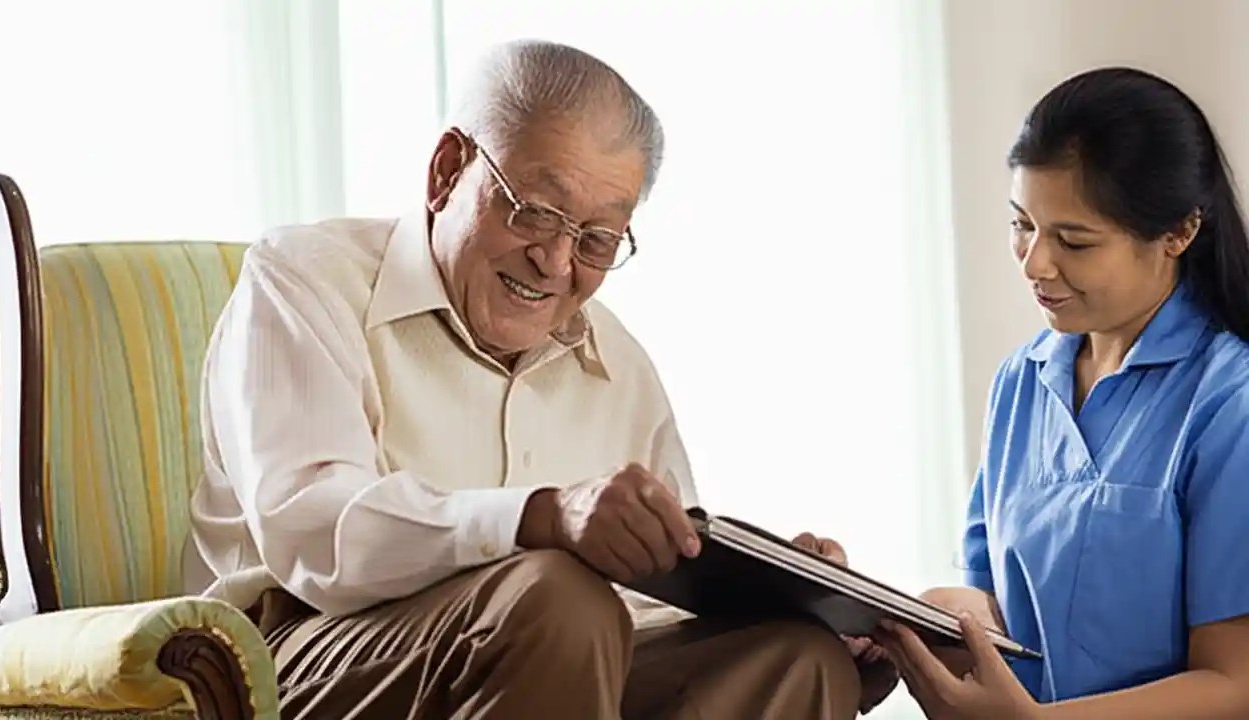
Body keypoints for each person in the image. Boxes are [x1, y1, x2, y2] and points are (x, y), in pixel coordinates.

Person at [184, 40, 897, 719]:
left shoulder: (618, 360)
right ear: (447, 170)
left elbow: (662, 586)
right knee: (558, 598)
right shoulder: (305, 278)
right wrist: (544, 516)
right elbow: (312, 529)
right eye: (535, 212)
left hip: (558, 651)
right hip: (294, 657)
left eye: (596, 240)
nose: (556, 264)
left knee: (797, 657)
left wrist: (795, 599)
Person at [875, 67, 1249, 718]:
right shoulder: (1023, 382)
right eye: (1022, 224)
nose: (1034, 263)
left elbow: (1233, 682)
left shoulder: (1229, 402)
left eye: (1073, 240)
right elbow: (1007, 607)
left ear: (1178, 233)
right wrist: (924, 619)